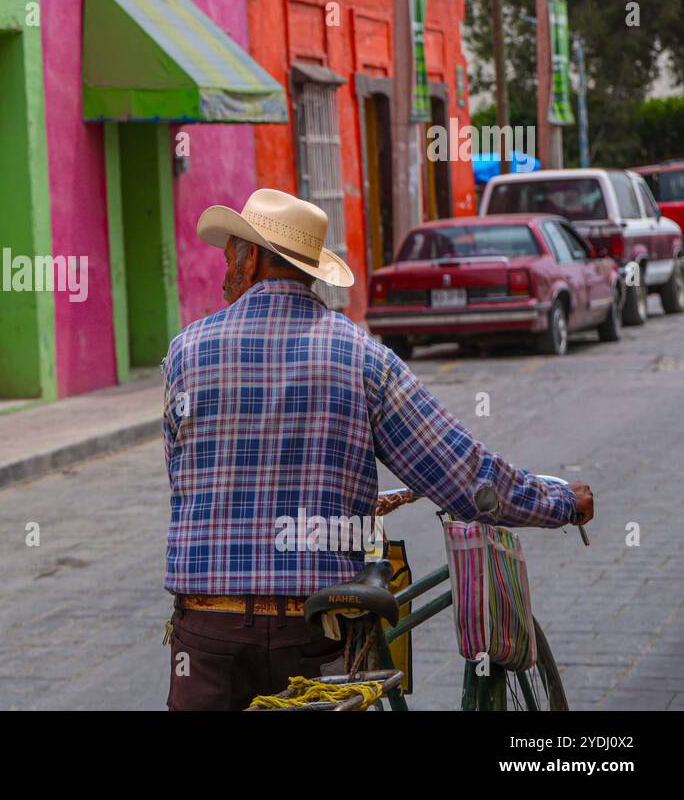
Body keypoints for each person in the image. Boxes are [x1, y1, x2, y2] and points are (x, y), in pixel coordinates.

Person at [162, 188, 593, 711]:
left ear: (252, 258)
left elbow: (185, 479)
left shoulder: (185, 352)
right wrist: (558, 500)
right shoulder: (361, 355)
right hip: (313, 632)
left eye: (231, 250)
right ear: (310, 270)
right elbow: (465, 479)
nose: (225, 266)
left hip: (207, 632)